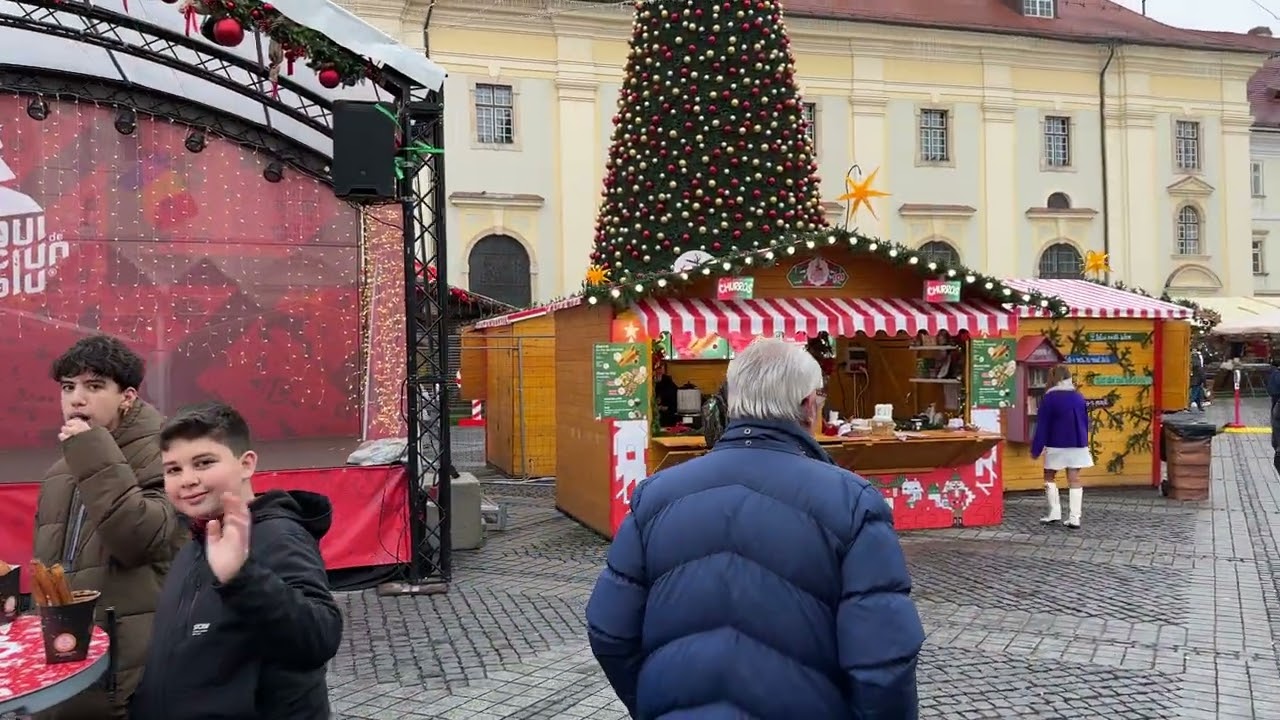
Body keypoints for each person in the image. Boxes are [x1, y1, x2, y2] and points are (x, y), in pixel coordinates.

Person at [586, 338, 924, 719]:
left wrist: (655, 704)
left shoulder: (655, 496)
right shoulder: (853, 502)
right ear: (809, 405)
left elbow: (610, 631)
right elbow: (882, 660)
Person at [129, 401, 342, 719]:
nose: (187, 479)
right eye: (174, 469)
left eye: (203, 463)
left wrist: (241, 577)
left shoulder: (279, 535)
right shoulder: (192, 547)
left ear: (246, 464)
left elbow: (320, 636)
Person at [32, 334, 185, 720]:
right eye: (68, 387)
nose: (76, 399)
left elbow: (137, 539)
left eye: (94, 387)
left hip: (131, 668)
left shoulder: (166, 453)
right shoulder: (59, 471)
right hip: (69, 659)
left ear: (128, 397)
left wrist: (91, 451)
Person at [1031, 365, 1093, 530]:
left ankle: (1054, 513)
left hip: (1056, 443)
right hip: (1078, 444)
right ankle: (1075, 518)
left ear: (1054, 378)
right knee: (1074, 479)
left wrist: (1036, 449)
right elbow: (1085, 422)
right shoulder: (1079, 397)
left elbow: (1043, 426)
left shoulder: (1050, 398)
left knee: (1049, 477)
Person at [652, 360, 679, 426]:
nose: (658, 372)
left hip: (667, 418)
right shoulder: (650, 382)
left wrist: (664, 407)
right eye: (656, 369)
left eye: (660, 369)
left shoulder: (669, 383)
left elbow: (674, 401)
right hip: (653, 418)